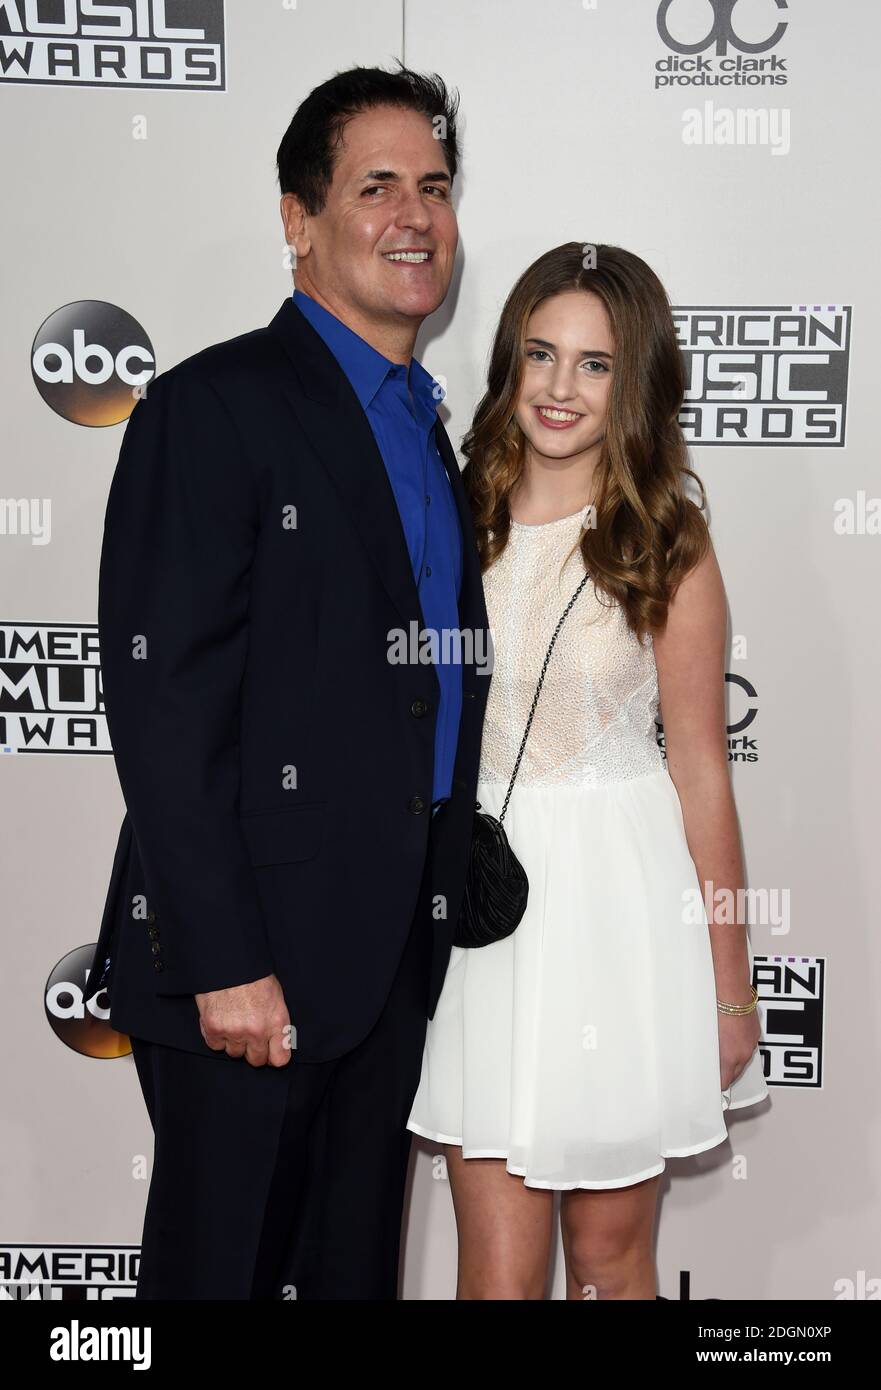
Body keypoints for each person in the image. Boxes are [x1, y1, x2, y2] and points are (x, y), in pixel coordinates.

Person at [84, 62, 491, 1300]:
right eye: (376, 186)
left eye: (433, 185)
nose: (413, 214)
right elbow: (164, 701)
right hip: (247, 972)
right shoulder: (213, 408)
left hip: (385, 968)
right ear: (297, 218)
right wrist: (223, 960)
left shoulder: (424, 424)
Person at [407, 242, 769, 1300]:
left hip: (619, 916)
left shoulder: (665, 543)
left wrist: (726, 986)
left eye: (595, 364)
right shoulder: (449, 515)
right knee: (495, 1272)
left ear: (636, 381)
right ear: (508, 363)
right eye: (539, 353)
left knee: (611, 1265)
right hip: (482, 915)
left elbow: (702, 770)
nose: (559, 388)